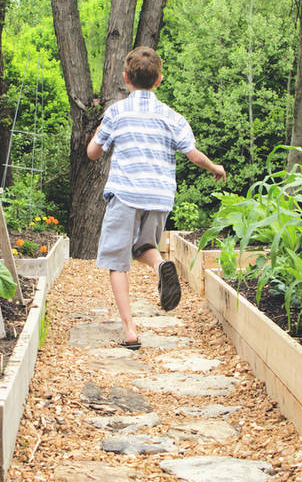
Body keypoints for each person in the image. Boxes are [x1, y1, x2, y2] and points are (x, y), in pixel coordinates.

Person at [86, 47, 226, 349]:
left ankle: (130, 331)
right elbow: (193, 154)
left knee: (117, 262)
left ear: (125, 78)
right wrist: (215, 167)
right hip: (159, 196)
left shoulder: (116, 113)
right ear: (159, 80)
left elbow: (93, 152)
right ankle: (161, 265)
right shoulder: (172, 116)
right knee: (144, 247)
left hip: (126, 194)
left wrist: (100, 130)